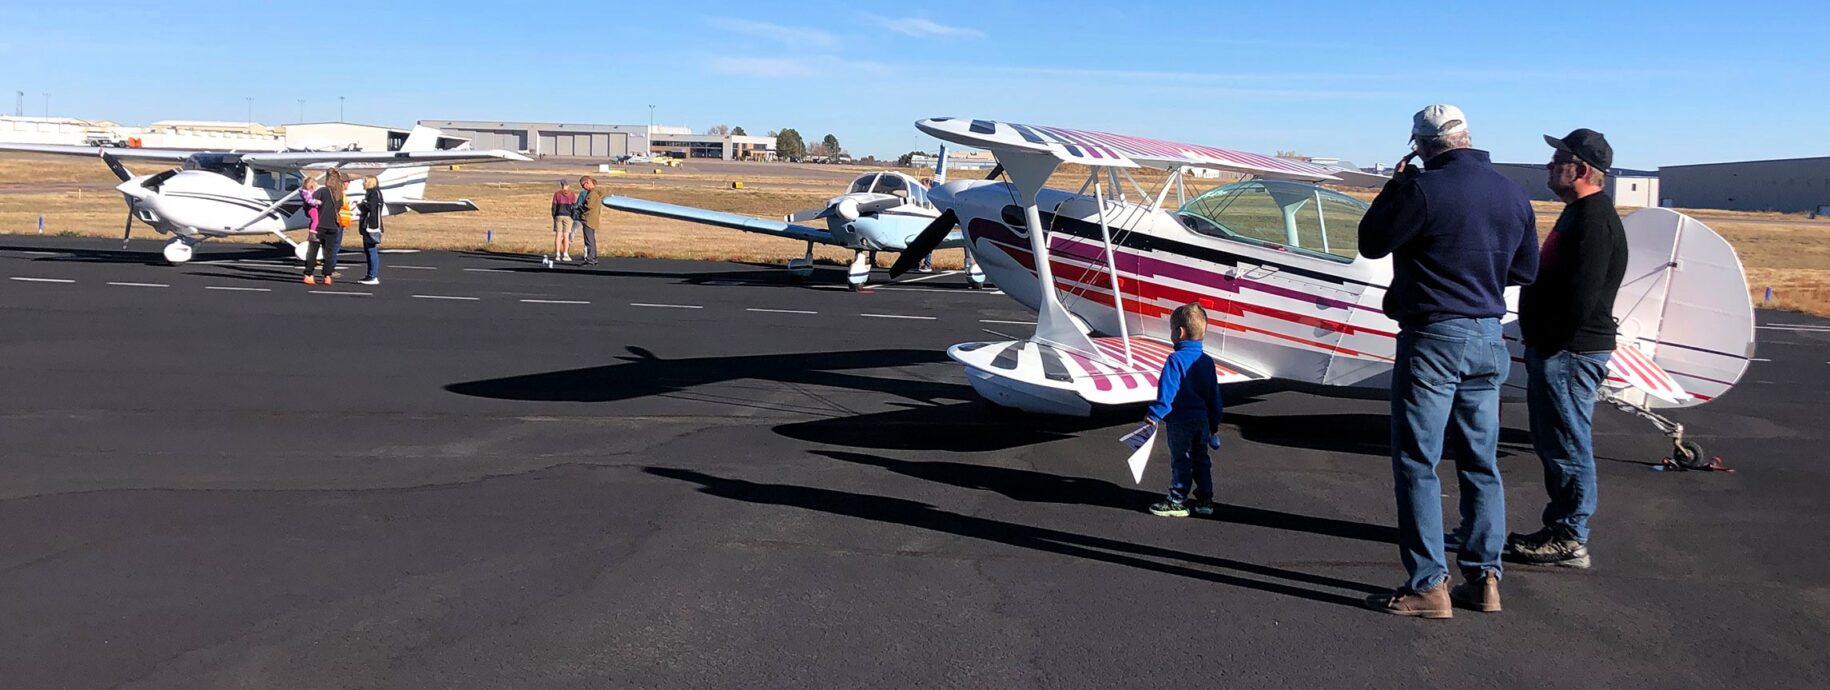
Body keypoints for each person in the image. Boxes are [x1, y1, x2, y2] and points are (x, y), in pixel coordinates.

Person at [1358, 104, 1539, 618]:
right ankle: (1484, 579)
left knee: (1418, 462)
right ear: (1467, 137)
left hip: (1434, 335)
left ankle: (1428, 584)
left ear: (1419, 145)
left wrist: (1395, 188)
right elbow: (1525, 269)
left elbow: (1371, 243)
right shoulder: (1512, 193)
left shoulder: (1420, 189)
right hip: (1488, 334)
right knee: (1480, 463)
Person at [1508, 129, 1629, 569]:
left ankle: (1570, 537)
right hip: (1561, 349)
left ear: (1578, 169)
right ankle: (1560, 525)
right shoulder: (1579, 213)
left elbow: (1582, 293)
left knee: (1567, 443)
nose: (1548, 166)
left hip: (1571, 352)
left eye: (1557, 158)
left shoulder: (1594, 219)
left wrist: (1551, 341)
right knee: (1555, 442)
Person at [1144, 303, 1225, 518]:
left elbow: (1167, 393)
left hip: (1180, 421)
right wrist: (1214, 423)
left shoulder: (1175, 360)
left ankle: (1178, 500)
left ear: (1179, 333)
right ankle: (1205, 499)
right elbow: (1213, 395)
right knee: (1201, 459)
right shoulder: (1207, 362)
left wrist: (1154, 414)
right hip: (1202, 420)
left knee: (1181, 460)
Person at [302, 169, 347, 285]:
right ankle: (327, 275)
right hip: (333, 226)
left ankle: (309, 274)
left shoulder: (322, 191)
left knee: (313, 251)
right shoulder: (340, 194)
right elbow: (339, 207)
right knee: (329, 252)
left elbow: (309, 202)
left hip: (319, 226)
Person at [356, 176, 385, 285]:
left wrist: (362, 205)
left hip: (372, 226)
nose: (363, 184)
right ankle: (370, 275)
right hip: (367, 225)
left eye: (364, 182)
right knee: (368, 251)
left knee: (371, 250)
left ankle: (373, 276)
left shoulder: (374, 194)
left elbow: (371, 207)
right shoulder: (371, 193)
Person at [572, 175, 603, 265]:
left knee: (589, 240)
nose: (583, 188)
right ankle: (592, 258)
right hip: (591, 219)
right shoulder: (594, 193)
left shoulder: (592, 194)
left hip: (588, 219)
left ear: (588, 182)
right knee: (591, 239)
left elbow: (589, 206)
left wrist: (580, 207)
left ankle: (591, 259)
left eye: (583, 185)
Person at [551, 180, 575, 263]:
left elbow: (554, 206)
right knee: (566, 235)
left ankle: (557, 253)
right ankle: (565, 253)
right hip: (568, 216)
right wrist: (573, 216)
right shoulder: (572, 194)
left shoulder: (557, 194)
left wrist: (554, 215)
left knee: (558, 235)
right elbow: (574, 206)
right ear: (568, 185)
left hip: (558, 215)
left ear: (561, 185)